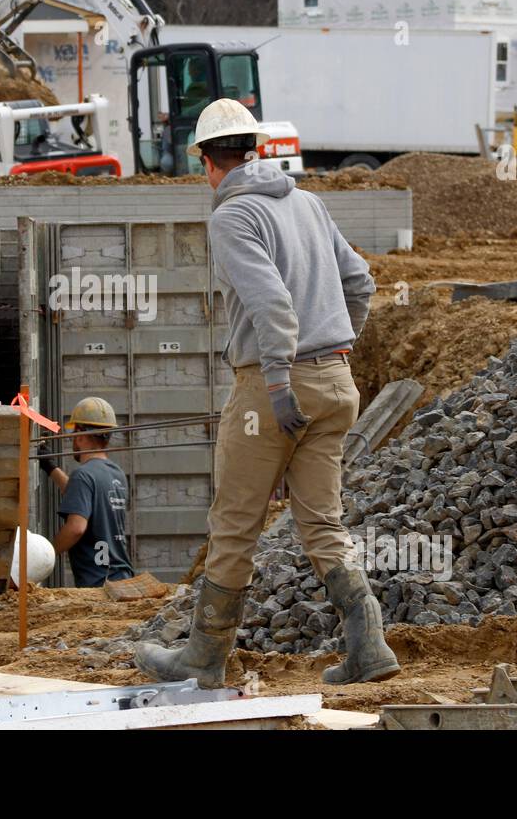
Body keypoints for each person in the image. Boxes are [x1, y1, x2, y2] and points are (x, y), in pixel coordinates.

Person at [134, 99, 399, 688]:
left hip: (274, 388)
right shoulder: (307, 203)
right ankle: (369, 643)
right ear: (253, 150)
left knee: (234, 525)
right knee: (323, 522)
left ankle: (203, 658)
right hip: (335, 382)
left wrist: (280, 381)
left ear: (207, 160)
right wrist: (338, 345)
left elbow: (272, 303)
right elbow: (361, 282)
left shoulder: (232, 217)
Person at [37, 396, 135, 587]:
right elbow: (83, 496)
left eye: (73, 431)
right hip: (122, 577)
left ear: (80, 435)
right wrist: (50, 467)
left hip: (98, 582)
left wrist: (46, 552)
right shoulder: (116, 474)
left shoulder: (83, 475)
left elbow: (76, 528)